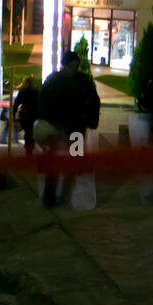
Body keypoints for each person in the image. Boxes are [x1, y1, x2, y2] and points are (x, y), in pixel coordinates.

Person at [37, 50, 100, 206]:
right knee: (56, 164)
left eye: (75, 66)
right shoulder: (56, 81)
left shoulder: (79, 81)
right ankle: (51, 198)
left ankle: (64, 197)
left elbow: (94, 102)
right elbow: (43, 103)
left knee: (71, 165)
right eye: (71, 66)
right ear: (64, 65)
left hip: (75, 129)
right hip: (58, 128)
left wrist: (90, 120)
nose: (73, 69)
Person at [12, 74, 40, 155]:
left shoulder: (23, 92)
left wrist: (14, 115)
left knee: (28, 132)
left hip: (26, 115)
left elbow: (16, 104)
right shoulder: (36, 92)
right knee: (30, 132)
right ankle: (30, 147)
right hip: (34, 115)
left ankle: (29, 148)